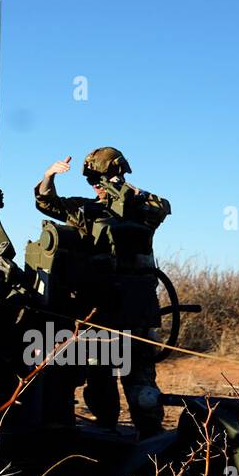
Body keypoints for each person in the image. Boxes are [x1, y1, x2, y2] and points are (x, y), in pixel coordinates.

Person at [34, 147, 171, 437]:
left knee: (140, 381)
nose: (97, 184)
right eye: (93, 180)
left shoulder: (144, 210)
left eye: (102, 177)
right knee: (100, 377)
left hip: (137, 310)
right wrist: (49, 176)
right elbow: (47, 202)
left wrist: (125, 186)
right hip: (101, 308)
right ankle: (108, 434)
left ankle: (152, 441)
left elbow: (162, 206)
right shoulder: (87, 211)